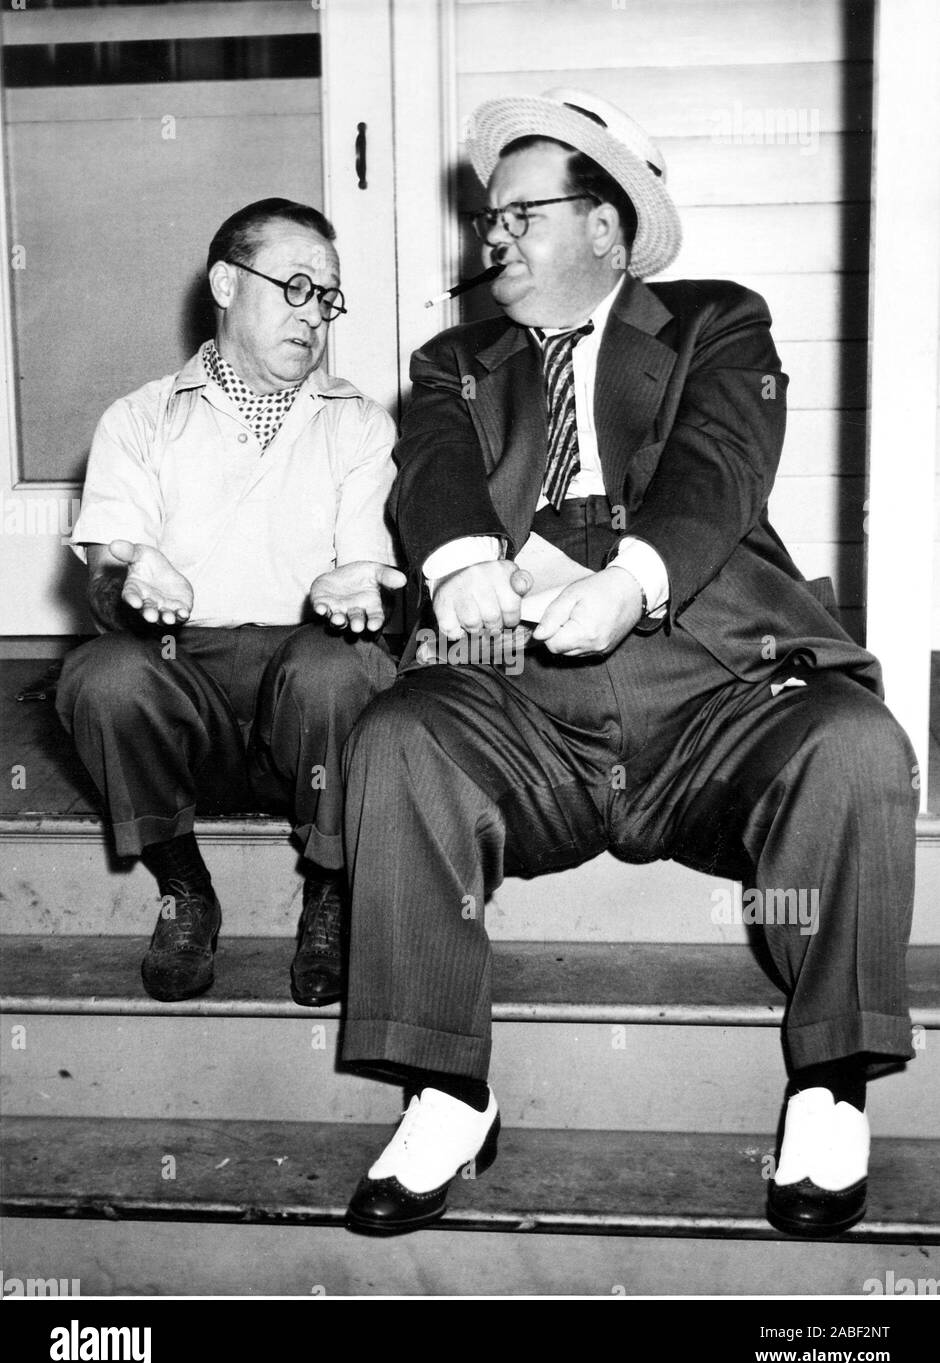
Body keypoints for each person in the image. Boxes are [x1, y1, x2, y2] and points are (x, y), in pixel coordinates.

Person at [338, 92, 918, 1239]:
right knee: (397, 735)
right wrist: (457, 568)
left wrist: (632, 577)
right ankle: (447, 1089)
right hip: (525, 706)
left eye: (518, 213)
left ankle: (829, 1081)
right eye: (483, 217)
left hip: (716, 691)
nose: (487, 236)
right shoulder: (455, 357)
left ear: (605, 225)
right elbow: (434, 467)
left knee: (854, 745)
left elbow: (718, 467)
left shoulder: (716, 323)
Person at [57, 198, 404, 1008]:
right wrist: (131, 581)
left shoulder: (356, 424)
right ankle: (185, 891)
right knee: (102, 677)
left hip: (306, 705)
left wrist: (363, 592)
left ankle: (328, 890)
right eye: (293, 285)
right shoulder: (141, 419)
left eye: (327, 295)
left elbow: (365, 572)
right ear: (223, 282)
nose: (313, 314)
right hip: (188, 695)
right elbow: (109, 570)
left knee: (339, 668)